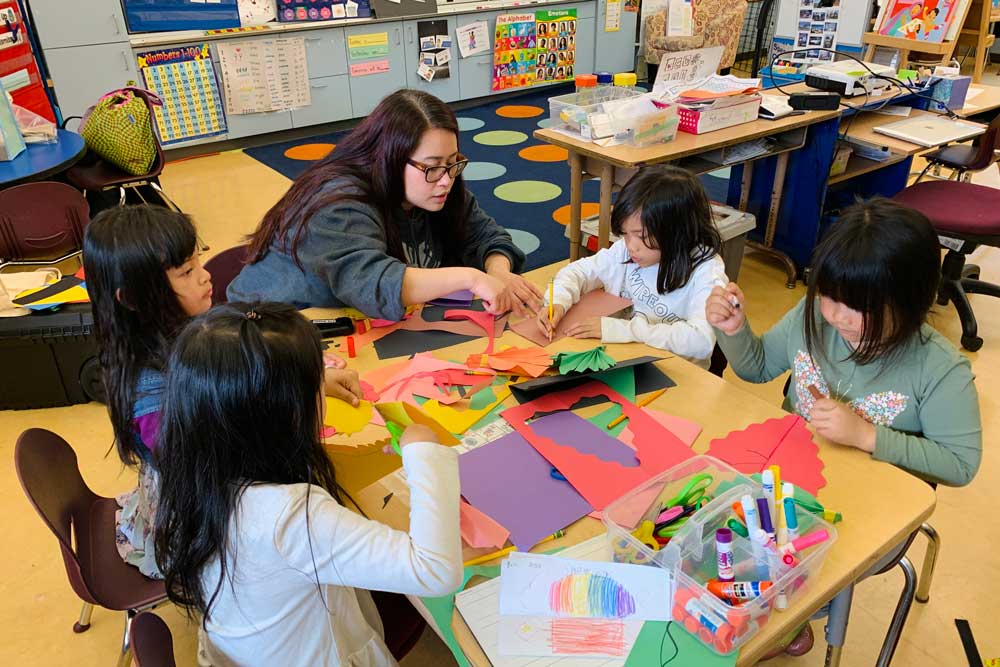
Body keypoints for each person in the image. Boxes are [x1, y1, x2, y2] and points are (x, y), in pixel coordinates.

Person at [154, 302, 462, 666]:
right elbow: (436, 572)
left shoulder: (188, 469)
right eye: (316, 382)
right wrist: (423, 450)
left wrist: (302, 385)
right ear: (286, 411)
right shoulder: (292, 517)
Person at [706, 198, 982, 487]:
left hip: (875, 494)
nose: (837, 316)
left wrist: (865, 435)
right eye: (829, 296)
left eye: (860, 307)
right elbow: (758, 368)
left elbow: (959, 465)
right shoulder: (812, 313)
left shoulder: (941, 369)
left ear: (911, 301)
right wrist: (734, 329)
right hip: (793, 473)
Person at [228, 90, 541, 320]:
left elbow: (486, 235)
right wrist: (471, 278)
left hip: (355, 320)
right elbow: (376, 283)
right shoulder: (338, 202)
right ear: (391, 159)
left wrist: (498, 271)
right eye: (432, 167)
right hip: (272, 329)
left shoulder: (434, 186)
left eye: (453, 162)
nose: (445, 179)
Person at [83, 206, 213, 578]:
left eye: (197, 261)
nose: (205, 277)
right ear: (135, 299)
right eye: (187, 272)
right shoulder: (148, 394)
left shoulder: (179, 326)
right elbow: (198, 469)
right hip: (192, 518)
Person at [537, 165, 726, 367]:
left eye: (642, 236)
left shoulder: (706, 271)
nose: (631, 245)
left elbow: (701, 342)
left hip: (678, 373)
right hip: (625, 358)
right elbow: (578, 272)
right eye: (625, 233)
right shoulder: (626, 251)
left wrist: (621, 330)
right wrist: (558, 300)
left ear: (678, 231)